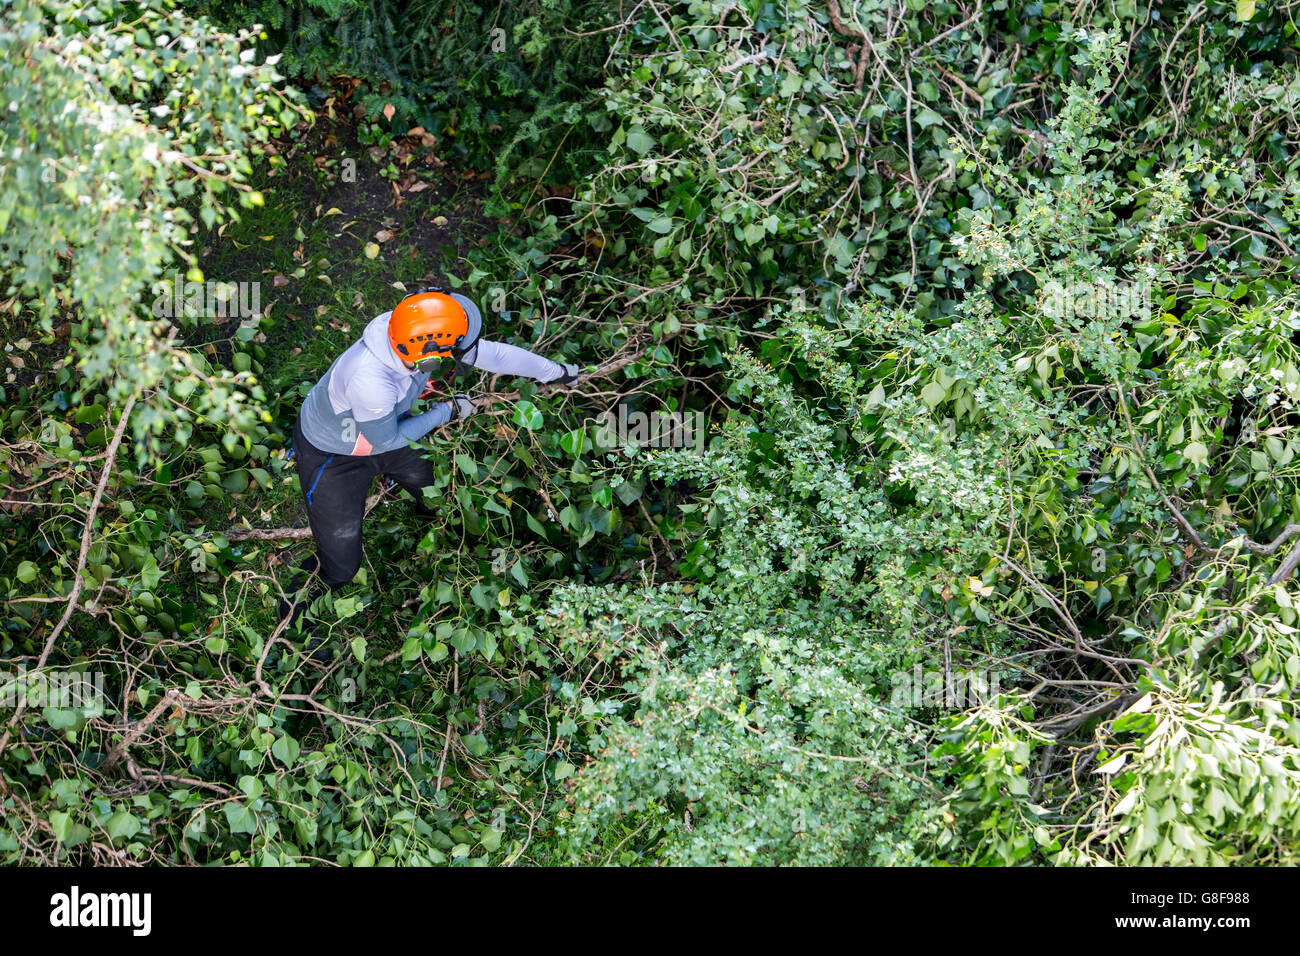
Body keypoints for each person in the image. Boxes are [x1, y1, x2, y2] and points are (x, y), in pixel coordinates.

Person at [279, 286, 579, 647]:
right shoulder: (370, 379)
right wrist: (447, 411)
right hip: (337, 453)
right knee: (343, 562)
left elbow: (494, 356)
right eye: (453, 349)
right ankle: (293, 623)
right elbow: (386, 441)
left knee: (433, 493)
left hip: (387, 426)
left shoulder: (412, 331)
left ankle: (428, 521)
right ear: (429, 357)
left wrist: (555, 372)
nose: (460, 352)